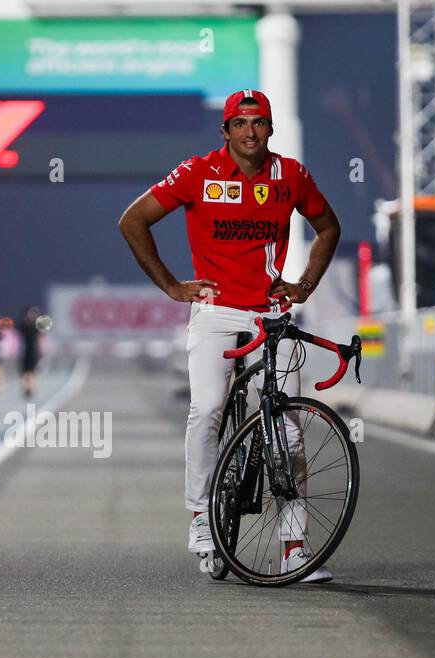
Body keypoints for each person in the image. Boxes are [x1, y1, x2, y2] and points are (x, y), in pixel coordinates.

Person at [118, 89, 342, 581]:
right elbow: (132, 221)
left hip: (270, 313)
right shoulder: (197, 172)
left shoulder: (291, 175)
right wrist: (173, 286)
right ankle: (200, 516)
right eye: (239, 123)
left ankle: (294, 550)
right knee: (208, 409)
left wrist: (304, 285)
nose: (249, 131)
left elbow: (328, 227)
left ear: (270, 129)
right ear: (224, 132)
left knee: (288, 431)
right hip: (216, 312)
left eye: (258, 122)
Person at [17, 306, 43, 399]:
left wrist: (40, 351)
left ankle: (31, 388)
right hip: (24, 352)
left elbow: (39, 339)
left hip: (33, 352)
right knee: (24, 372)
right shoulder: (23, 326)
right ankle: (26, 389)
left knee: (32, 371)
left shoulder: (35, 326)